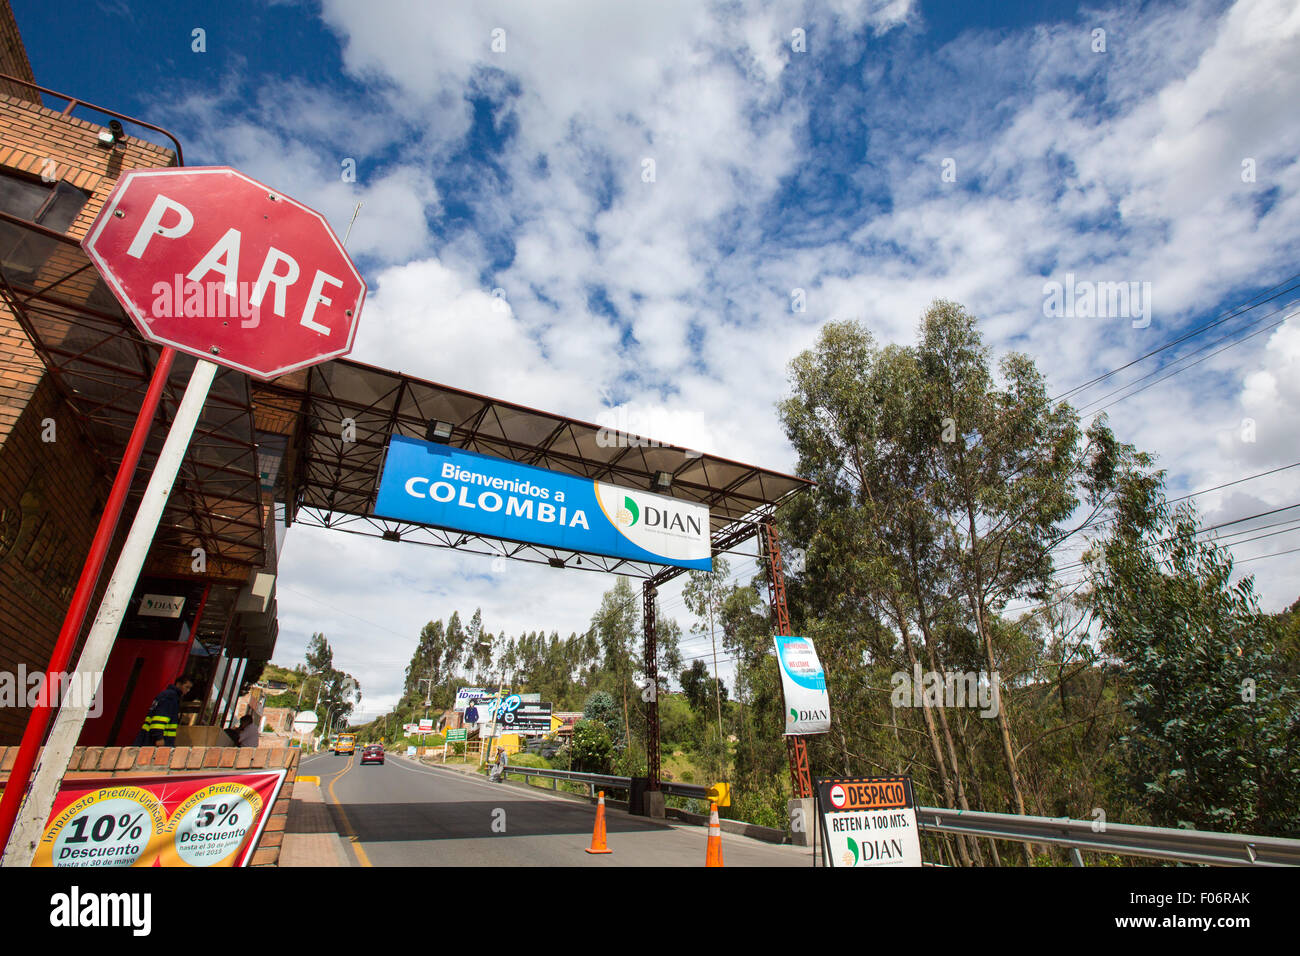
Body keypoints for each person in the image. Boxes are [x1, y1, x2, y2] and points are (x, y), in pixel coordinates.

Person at [133, 674, 195, 747]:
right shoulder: (171, 697)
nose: (188, 690)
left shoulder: (167, 695)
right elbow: (159, 719)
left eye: (189, 688)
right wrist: (159, 738)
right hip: (153, 742)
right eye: (186, 687)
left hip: (147, 738)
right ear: (178, 684)